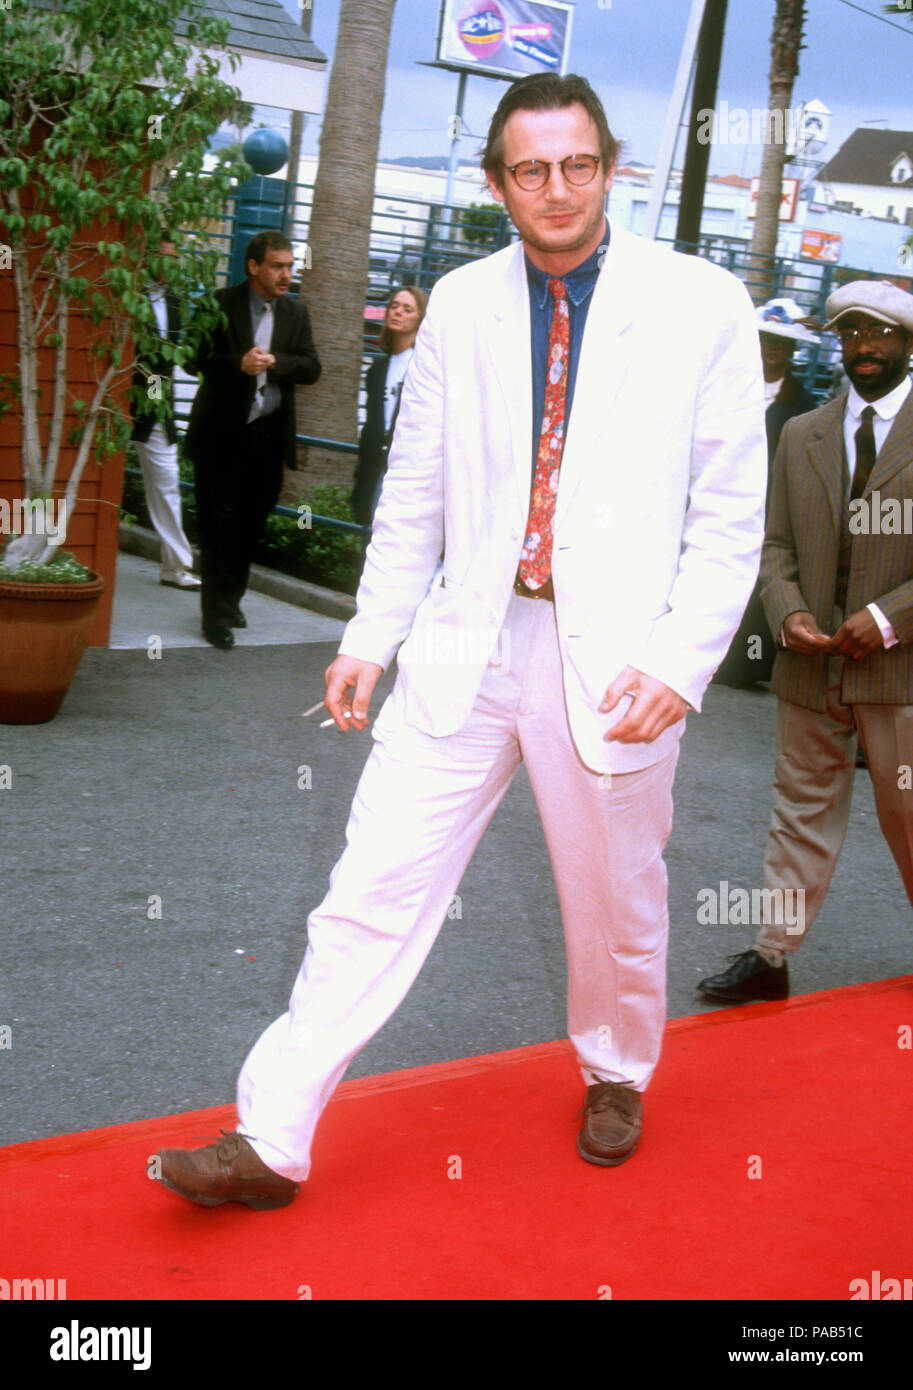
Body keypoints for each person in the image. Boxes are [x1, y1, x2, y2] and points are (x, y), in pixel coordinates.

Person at [152, 72, 766, 1209]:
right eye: (530, 170)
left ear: (610, 166)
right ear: (496, 184)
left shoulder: (701, 306)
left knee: (615, 898)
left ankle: (617, 1067)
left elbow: (730, 514)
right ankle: (271, 1136)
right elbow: (417, 495)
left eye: (577, 164)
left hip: (619, 664)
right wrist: (370, 636)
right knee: (368, 887)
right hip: (464, 646)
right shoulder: (462, 303)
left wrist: (680, 665)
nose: (557, 189)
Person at [698, 280, 913, 1004]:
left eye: (878, 336)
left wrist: (886, 619)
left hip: (900, 670)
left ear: (905, 343)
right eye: (851, 336)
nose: (864, 349)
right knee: (798, 814)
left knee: (906, 814)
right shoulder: (801, 434)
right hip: (808, 665)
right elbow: (773, 543)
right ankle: (770, 957)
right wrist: (786, 611)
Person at [182, 231, 321, 649]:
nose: (286, 274)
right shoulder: (219, 304)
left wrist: (276, 362)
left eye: (290, 266)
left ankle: (231, 598)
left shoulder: (296, 314)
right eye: (277, 266)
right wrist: (235, 364)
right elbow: (191, 357)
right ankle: (216, 617)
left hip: (267, 438)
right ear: (254, 266)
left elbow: (312, 367)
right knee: (217, 528)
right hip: (222, 436)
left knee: (249, 526)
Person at [714, 299, 818, 688]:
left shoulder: (803, 404)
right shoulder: (728, 388)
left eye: (781, 343)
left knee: (759, 587)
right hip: (723, 496)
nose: (771, 350)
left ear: (791, 352)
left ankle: (749, 664)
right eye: (766, 340)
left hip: (771, 504)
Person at [130, 239, 200, 591]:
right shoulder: (127, 289)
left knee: (168, 483)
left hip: (156, 406)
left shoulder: (173, 300)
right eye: (164, 257)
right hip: (115, 401)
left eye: (174, 259)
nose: (170, 265)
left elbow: (171, 357)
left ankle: (176, 567)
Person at [351, 286, 428, 527]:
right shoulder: (377, 371)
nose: (398, 313)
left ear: (420, 319)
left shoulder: (425, 368)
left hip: (408, 476)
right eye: (394, 306)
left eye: (407, 309)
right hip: (374, 471)